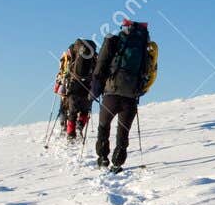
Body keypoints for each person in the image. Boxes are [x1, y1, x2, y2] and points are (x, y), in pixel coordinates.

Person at [93, 20, 154, 172]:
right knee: (123, 130)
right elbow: (148, 71)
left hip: (111, 94)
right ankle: (117, 163)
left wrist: (95, 89)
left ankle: (103, 158)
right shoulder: (144, 47)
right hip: (131, 97)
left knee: (103, 126)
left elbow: (101, 65)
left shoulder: (114, 42)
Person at [55, 39, 97, 140]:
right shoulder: (94, 55)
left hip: (73, 84)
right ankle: (80, 127)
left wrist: (59, 81)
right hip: (88, 85)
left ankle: (68, 132)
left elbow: (63, 68)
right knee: (85, 110)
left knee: (69, 109)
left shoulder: (70, 52)